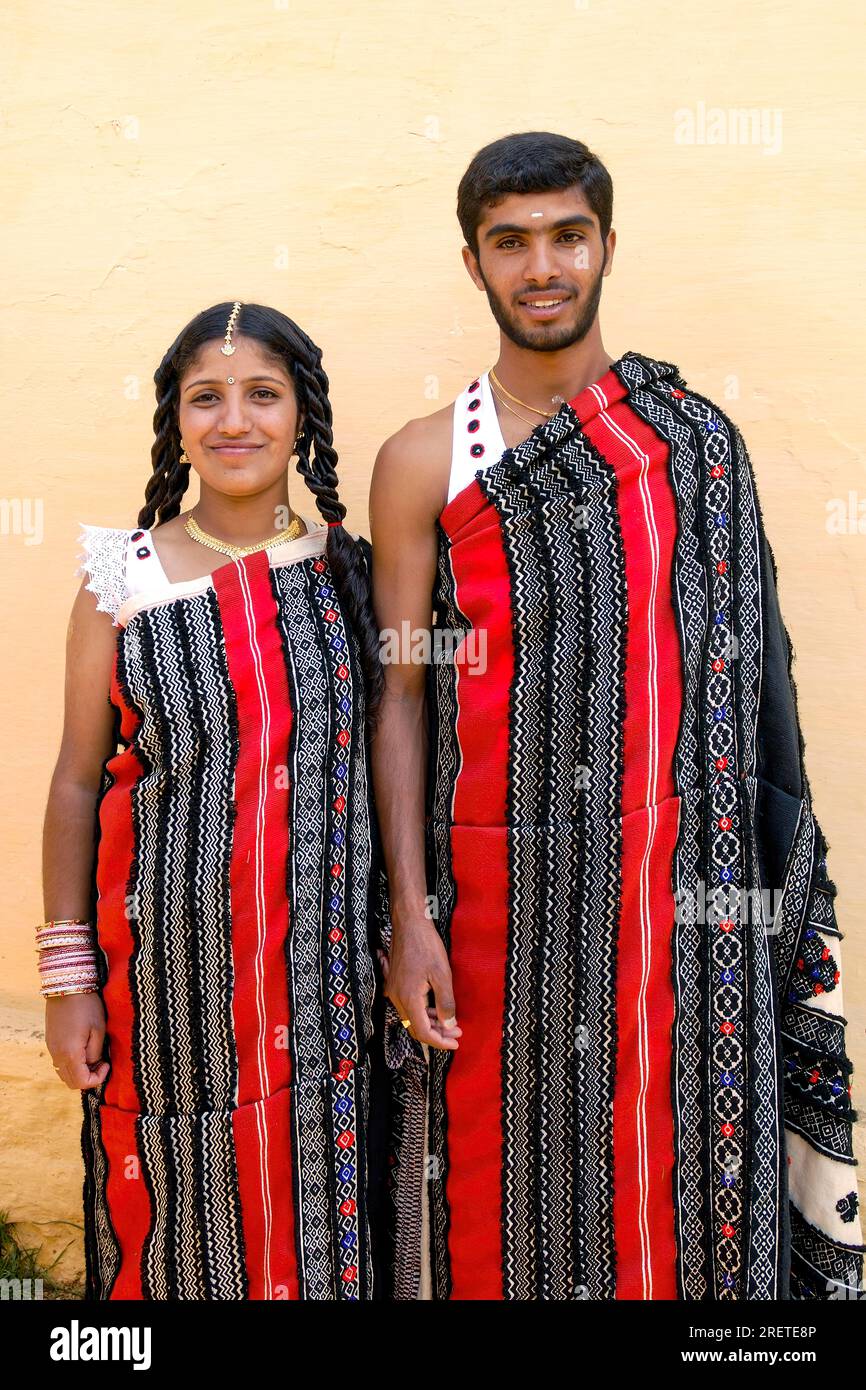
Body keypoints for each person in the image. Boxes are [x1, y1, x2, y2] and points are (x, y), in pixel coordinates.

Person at [368, 132, 865, 1301]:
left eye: (564, 236)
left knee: (680, 1176)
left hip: (675, 902)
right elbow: (398, 696)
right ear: (472, 262)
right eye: (510, 242)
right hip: (493, 906)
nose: (541, 265)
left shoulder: (688, 443)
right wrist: (406, 911)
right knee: (496, 1194)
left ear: (602, 247)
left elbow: (756, 703)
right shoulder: (421, 463)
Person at [41, 300, 389, 1300]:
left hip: (328, 983)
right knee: (179, 1222)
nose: (234, 420)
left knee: (326, 1218)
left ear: (301, 416)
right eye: (207, 397)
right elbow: (76, 774)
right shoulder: (123, 577)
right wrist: (67, 977)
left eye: (261, 395)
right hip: (167, 983)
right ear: (176, 420)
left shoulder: (346, 576)